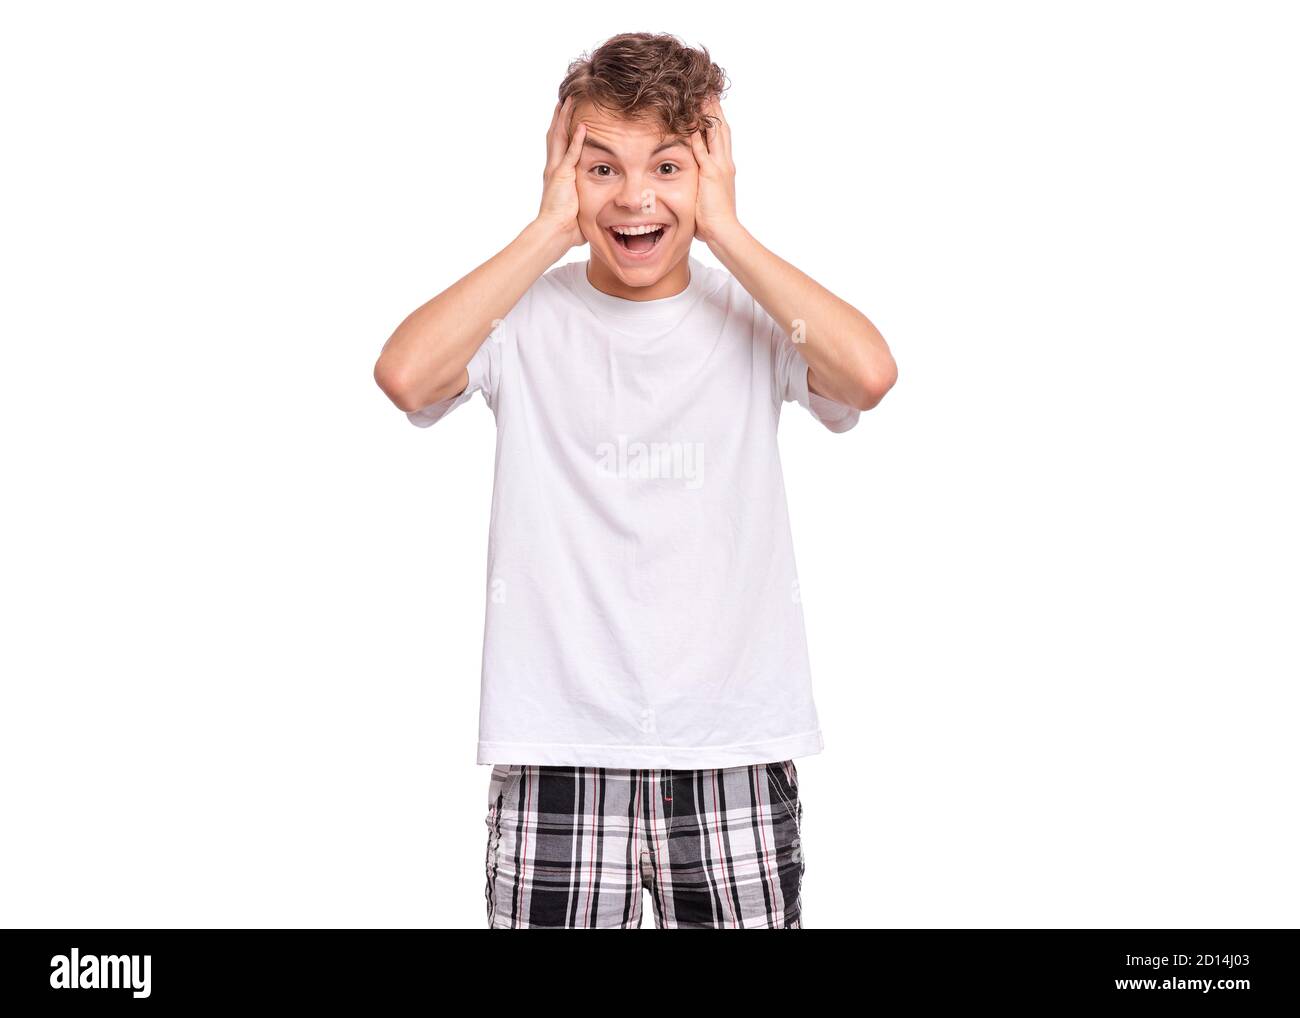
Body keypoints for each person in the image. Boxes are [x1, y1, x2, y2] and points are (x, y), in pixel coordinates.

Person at [373, 32, 897, 928]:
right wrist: (546, 231)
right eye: (601, 168)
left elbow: (869, 376)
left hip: (730, 745)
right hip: (557, 749)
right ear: (562, 171)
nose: (636, 197)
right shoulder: (521, 316)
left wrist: (727, 230)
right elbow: (406, 376)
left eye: (667, 165)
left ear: (710, 172)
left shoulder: (757, 315)